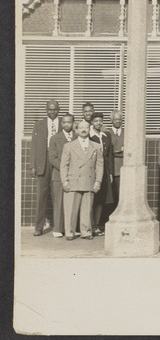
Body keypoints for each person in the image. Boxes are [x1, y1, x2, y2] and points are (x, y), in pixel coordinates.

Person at [60, 120, 104, 240]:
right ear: (77, 130)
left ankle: (86, 232)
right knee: (70, 210)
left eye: (86, 127)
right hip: (73, 182)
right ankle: (70, 232)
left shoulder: (96, 146)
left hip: (89, 182)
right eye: (81, 128)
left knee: (87, 209)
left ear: (89, 129)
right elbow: (64, 165)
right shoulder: (68, 146)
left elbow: (99, 166)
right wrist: (64, 181)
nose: (84, 129)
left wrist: (98, 181)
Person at [31, 100, 62, 236]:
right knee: (41, 197)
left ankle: (59, 228)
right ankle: (39, 227)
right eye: (50, 109)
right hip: (42, 163)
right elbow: (33, 146)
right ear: (46, 110)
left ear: (58, 110)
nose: (52, 112)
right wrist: (33, 165)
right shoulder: (39, 125)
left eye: (55, 109)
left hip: (57, 163)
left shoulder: (64, 123)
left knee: (58, 196)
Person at [47, 113, 75, 238]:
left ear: (73, 123)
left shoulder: (78, 136)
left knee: (73, 202)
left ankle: (72, 228)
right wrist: (65, 169)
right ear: (61, 124)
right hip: (58, 175)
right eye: (64, 122)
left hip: (75, 175)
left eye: (69, 122)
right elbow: (52, 158)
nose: (66, 124)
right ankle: (58, 228)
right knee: (59, 202)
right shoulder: (54, 138)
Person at [88, 112, 114, 235]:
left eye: (100, 121)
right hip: (92, 171)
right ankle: (90, 225)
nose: (98, 123)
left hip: (104, 171)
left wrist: (110, 173)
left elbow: (109, 156)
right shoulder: (88, 136)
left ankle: (97, 225)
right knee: (93, 198)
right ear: (91, 123)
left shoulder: (106, 136)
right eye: (96, 121)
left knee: (102, 198)